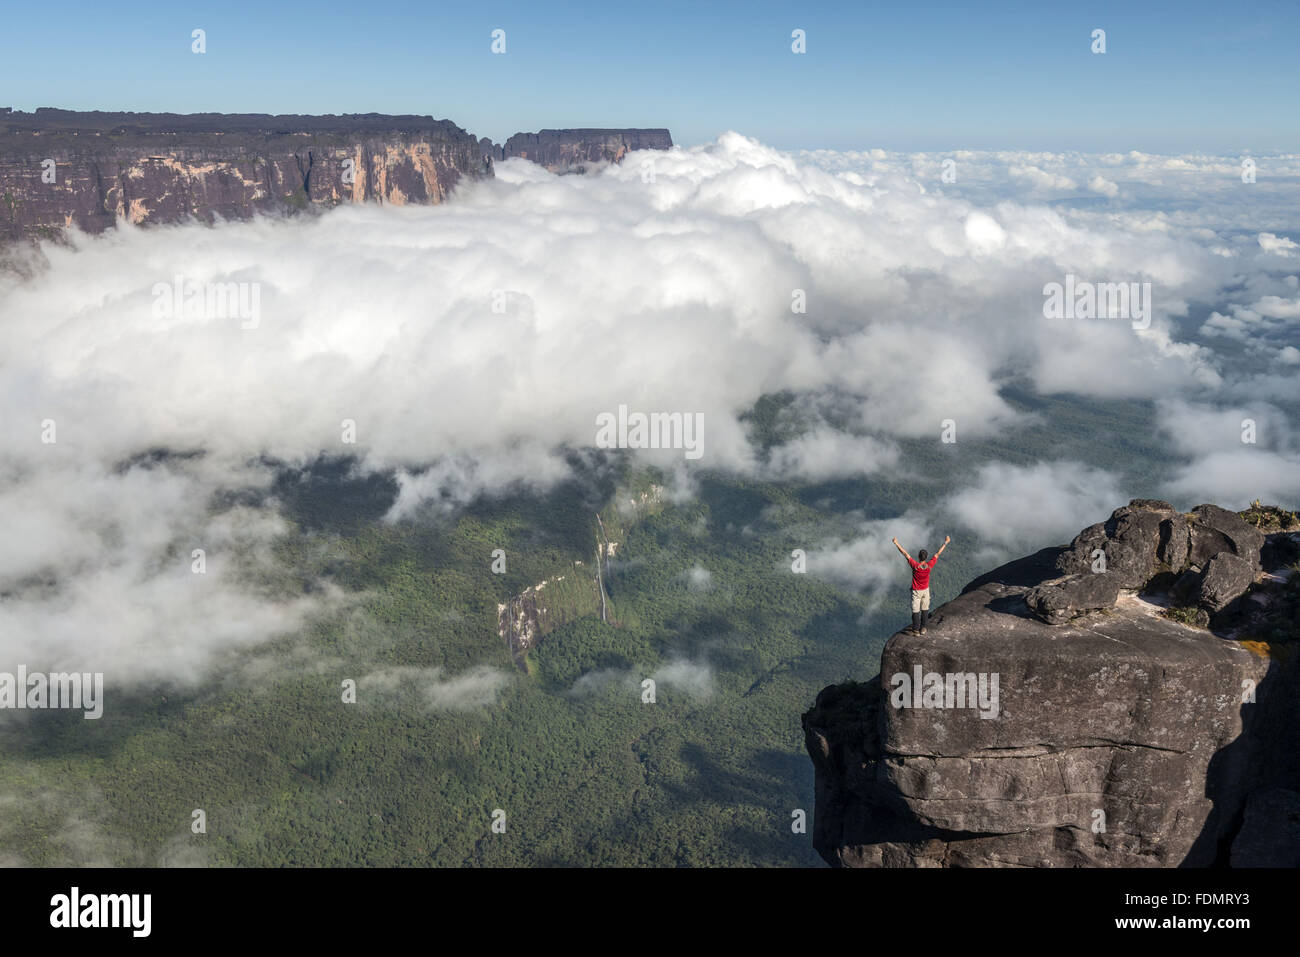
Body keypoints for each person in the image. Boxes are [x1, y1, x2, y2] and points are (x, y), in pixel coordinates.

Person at [892, 535, 950, 635]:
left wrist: (896, 543)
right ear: (926, 557)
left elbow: (905, 554)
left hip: (916, 591)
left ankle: (915, 630)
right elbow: (938, 554)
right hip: (925, 590)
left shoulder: (915, 566)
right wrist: (946, 542)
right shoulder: (929, 565)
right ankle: (923, 629)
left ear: (919, 557)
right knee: (925, 610)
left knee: (915, 611)